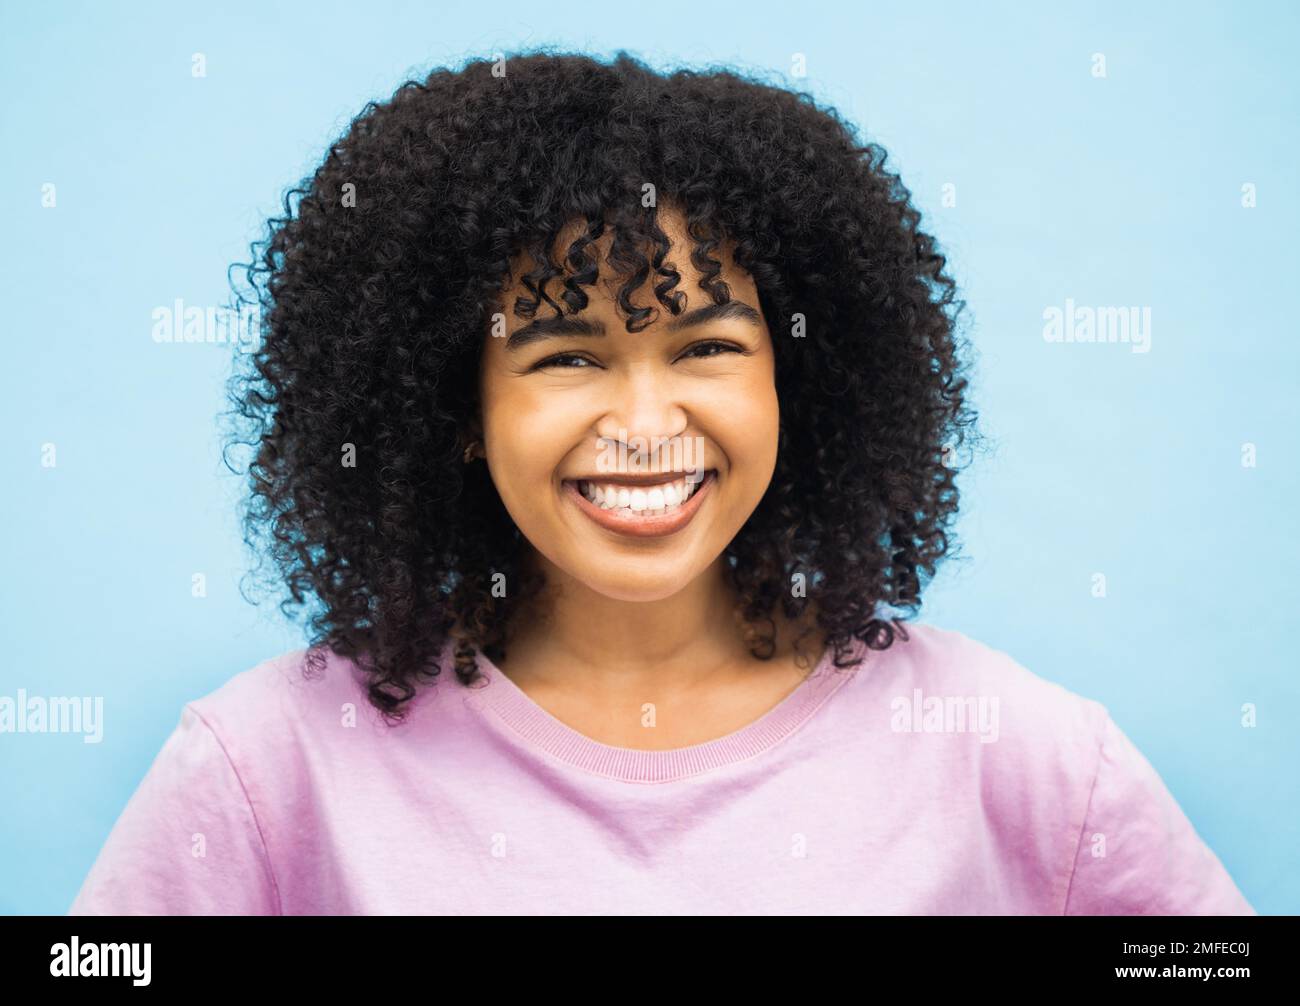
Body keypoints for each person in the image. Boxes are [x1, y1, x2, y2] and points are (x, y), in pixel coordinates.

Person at [69, 50, 1254, 915]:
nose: (644, 423)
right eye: (567, 355)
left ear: (804, 377)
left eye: (706, 347)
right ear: (457, 412)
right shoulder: (266, 770)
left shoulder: (1021, 757)